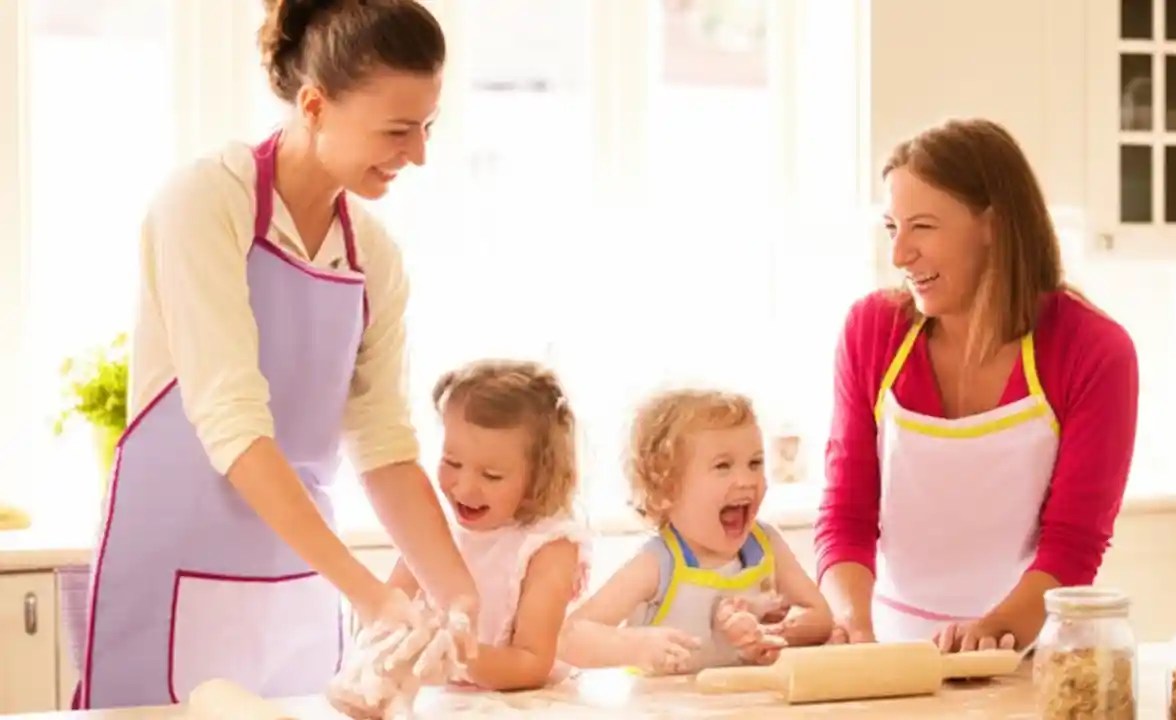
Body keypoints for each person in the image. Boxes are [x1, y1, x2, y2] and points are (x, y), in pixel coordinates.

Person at [74, 0, 478, 709]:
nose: (418, 154)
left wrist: (457, 593)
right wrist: (370, 592)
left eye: (427, 127)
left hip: (294, 588)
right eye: (397, 129)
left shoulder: (372, 255)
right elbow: (234, 427)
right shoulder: (205, 203)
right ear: (316, 105)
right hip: (171, 583)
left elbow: (383, 445)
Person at [815, 118, 1140, 653]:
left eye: (922, 227)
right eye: (893, 228)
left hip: (1030, 651)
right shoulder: (872, 331)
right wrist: (853, 627)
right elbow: (846, 514)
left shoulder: (1093, 349)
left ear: (992, 225)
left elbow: (1073, 547)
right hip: (887, 647)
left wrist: (992, 636)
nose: (900, 255)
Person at [330, 359, 591, 716]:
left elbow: (532, 663)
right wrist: (381, 657)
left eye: (492, 475)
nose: (465, 487)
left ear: (539, 478)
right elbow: (391, 611)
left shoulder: (549, 547)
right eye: (452, 462)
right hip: (452, 704)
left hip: (528, 706)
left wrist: (458, 656)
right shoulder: (433, 534)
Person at [562, 389, 832, 674]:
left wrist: (778, 631)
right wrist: (635, 646)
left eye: (755, 463)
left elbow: (820, 615)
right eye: (723, 466)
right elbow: (570, 636)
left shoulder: (768, 546)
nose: (746, 480)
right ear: (666, 490)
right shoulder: (657, 564)